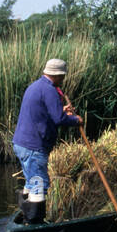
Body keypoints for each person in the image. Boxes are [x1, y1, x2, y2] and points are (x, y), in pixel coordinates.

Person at [12, 58, 82, 221]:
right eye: (63, 76)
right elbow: (58, 119)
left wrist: (62, 110)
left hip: (21, 144)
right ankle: (35, 224)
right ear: (57, 75)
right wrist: (76, 120)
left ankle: (26, 215)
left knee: (31, 181)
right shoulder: (49, 90)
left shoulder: (35, 86)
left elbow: (45, 113)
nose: (63, 80)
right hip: (33, 147)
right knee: (39, 184)